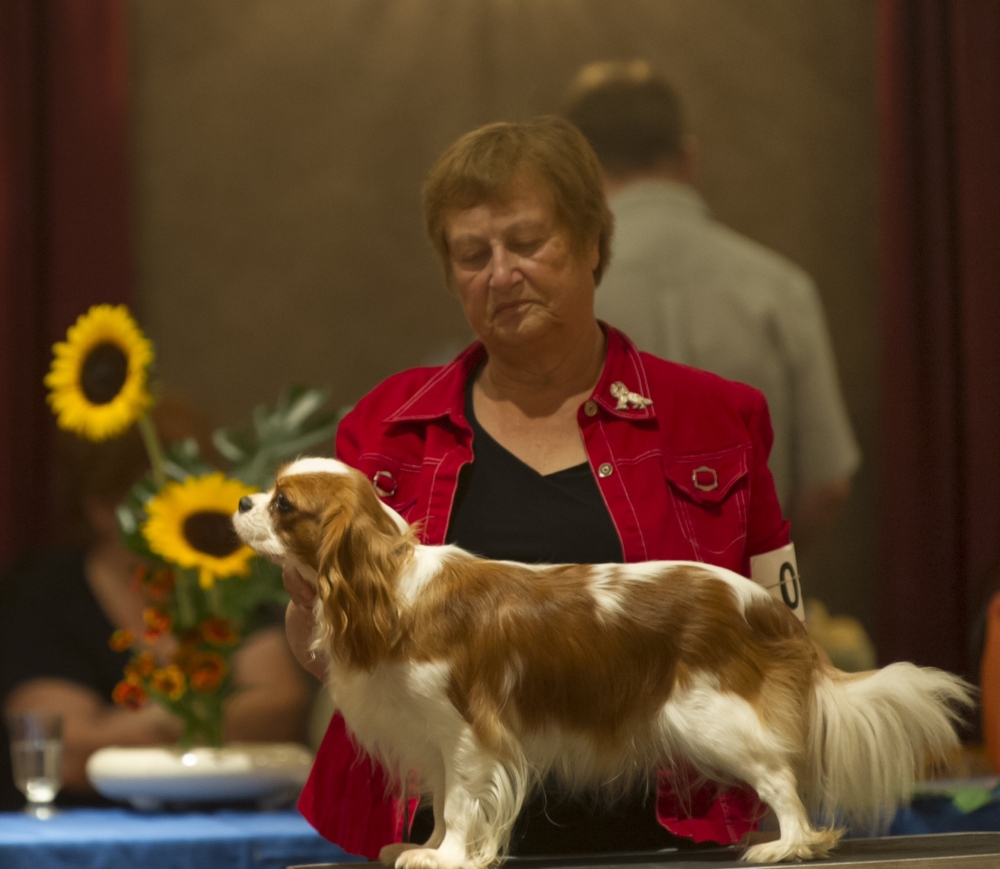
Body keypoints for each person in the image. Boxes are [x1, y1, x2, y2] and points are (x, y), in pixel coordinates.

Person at [283, 116, 799, 858]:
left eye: (527, 242)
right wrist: (309, 605)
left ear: (593, 243)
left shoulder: (717, 418)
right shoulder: (384, 428)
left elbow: (780, 623)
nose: (501, 273)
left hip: (671, 836)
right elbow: (327, 651)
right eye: (472, 254)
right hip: (439, 836)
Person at [564, 61, 860, 555]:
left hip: (598, 616)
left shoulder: (552, 294)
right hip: (747, 609)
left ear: (575, 171)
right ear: (687, 158)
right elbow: (826, 486)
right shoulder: (780, 289)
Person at [0, 399, 313, 810]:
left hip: (228, 828)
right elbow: (66, 751)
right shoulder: (45, 592)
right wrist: (204, 719)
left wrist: (142, 725)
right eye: (163, 490)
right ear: (102, 507)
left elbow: (280, 709)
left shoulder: (226, 583)